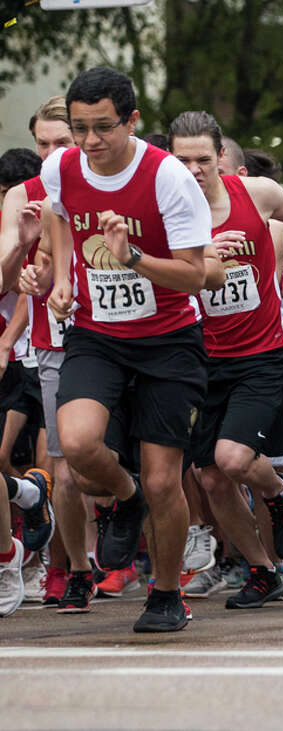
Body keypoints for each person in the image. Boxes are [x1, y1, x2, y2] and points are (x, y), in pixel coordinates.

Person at [40, 67, 218, 632]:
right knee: (76, 445)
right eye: (80, 128)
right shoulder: (61, 167)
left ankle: (167, 595)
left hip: (168, 340)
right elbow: (58, 214)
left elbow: (196, 276)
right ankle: (124, 496)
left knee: (165, 479)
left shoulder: (167, 177)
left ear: (132, 120)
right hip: (98, 335)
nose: (90, 142)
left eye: (103, 128)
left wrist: (132, 257)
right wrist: (66, 274)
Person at [170, 111, 283, 609]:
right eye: (182, 160)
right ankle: (264, 572)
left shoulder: (256, 193)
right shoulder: (168, 211)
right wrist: (202, 259)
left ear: (221, 156)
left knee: (233, 458)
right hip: (200, 358)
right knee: (211, 479)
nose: (194, 169)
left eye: (203, 158)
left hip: (261, 354)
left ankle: (277, 491)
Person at [5, 96, 86, 612]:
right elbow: (7, 274)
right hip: (57, 344)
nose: (52, 153)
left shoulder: (116, 176)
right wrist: (25, 259)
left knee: (146, 466)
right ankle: (71, 569)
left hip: (133, 340)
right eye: (43, 144)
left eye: (63, 142)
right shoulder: (24, 194)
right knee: (65, 465)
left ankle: (150, 568)